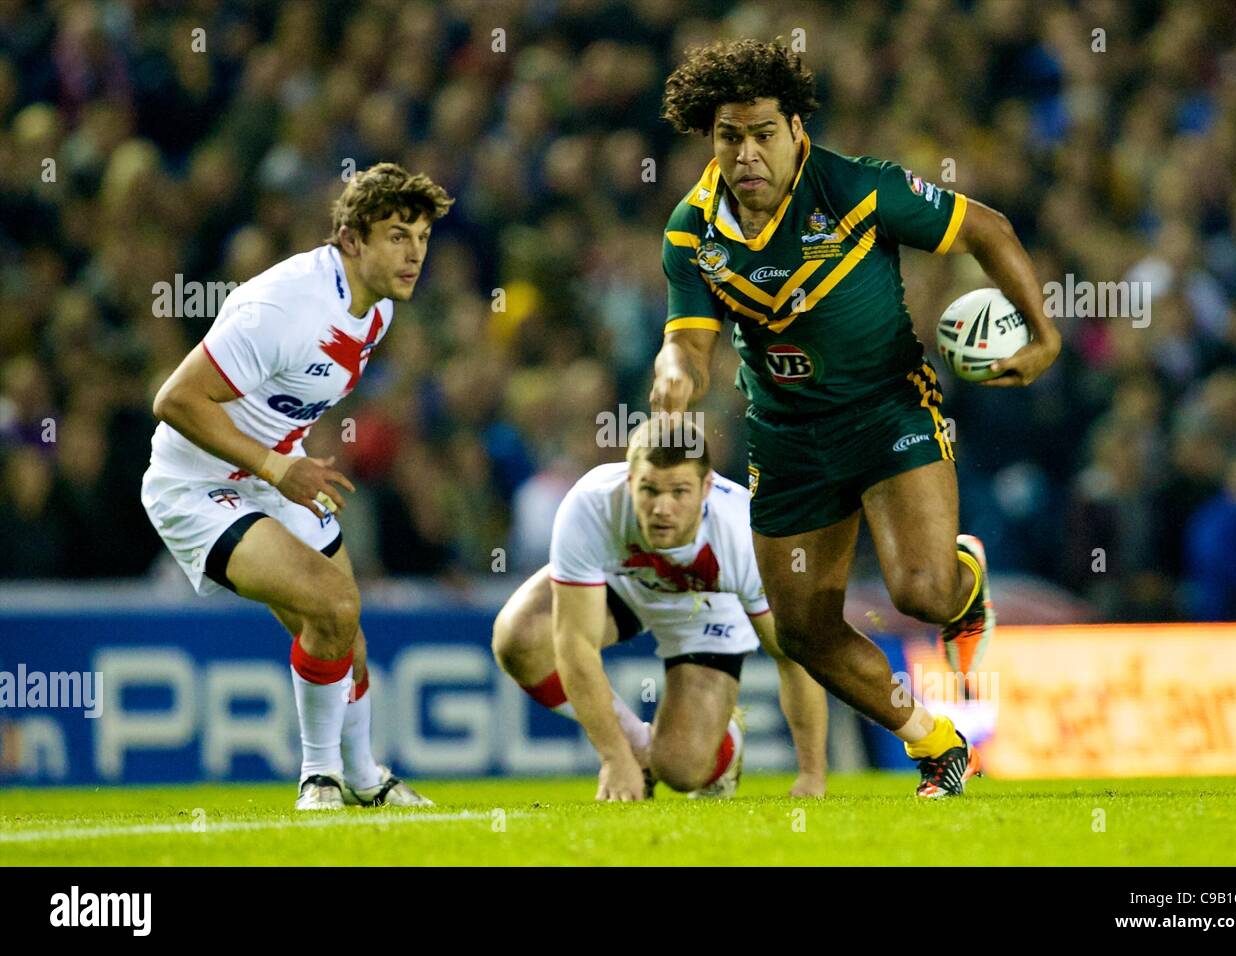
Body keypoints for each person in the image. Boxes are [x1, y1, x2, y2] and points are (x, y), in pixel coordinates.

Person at [649, 39, 1063, 797]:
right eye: (729, 136)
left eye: (763, 133)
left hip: (887, 411)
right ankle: (937, 744)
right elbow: (689, 343)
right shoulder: (691, 229)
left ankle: (965, 586)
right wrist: (676, 378)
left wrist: (1045, 333)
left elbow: (987, 228)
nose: (746, 153)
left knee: (922, 594)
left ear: (797, 130)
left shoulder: (856, 189)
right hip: (787, 437)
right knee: (804, 629)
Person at [141, 163, 453, 810]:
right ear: (350, 239)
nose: (414, 253)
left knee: (349, 638)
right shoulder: (282, 306)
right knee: (332, 607)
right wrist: (277, 466)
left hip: (270, 473)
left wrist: (283, 463)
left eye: (421, 237)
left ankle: (365, 776)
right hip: (196, 485)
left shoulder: (379, 311)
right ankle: (319, 777)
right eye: (397, 235)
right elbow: (174, 400)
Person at [493, 419, 828, 801]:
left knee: (682, 770)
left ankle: (722, 738)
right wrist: (616, 756)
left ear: (705, 488)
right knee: (519, 637)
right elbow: (575, 645)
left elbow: (792, 658)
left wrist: (811, 775)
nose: (662, 508)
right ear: (630, 481)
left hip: (707, 606)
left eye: (679, 492)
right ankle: (639, 746)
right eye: (649, 490)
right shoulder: (590, 503)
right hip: (625, 580)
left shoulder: (746, 533)